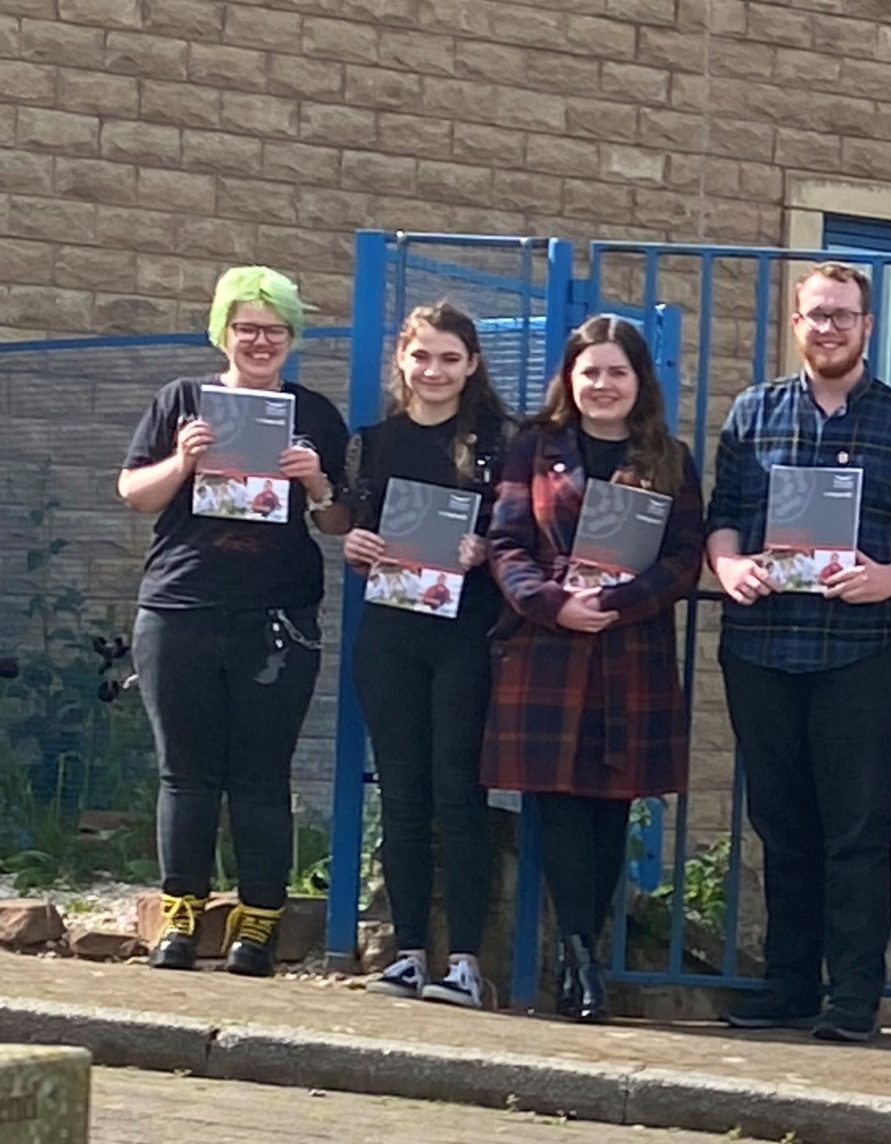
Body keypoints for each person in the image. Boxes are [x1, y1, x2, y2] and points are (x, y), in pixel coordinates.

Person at [705, 263, 891, 1043]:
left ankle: (853, 997)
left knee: (858, 833)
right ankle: (788, 984)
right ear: (795, 323)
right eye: (816, 315)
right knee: (781, 826)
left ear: (867, 326)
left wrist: (890, 580)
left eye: (843, 315)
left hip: (865, 650)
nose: (829, 328)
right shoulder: (752, 414)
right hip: (764, 647)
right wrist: (729, 568)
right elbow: (723, 516)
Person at [117, 266, 352, 977]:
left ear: (292, 338)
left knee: (261, 776)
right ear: (223, 331)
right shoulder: (181, 400)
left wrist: (315, 481)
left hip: (276, 616)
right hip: (179, 607)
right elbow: (135, 492)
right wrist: (182, 461)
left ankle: (259, 925)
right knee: (185, 774)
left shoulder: (315, 413)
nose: (260, 341)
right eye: (246, 327)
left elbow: (340, 522)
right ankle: (180, 919)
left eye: (274, 329)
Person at [481, 315, 704, 1023]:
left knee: (612, 809)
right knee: (559, 806)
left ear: (640, 381)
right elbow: (506, 544)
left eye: (617, 372)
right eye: (590, 372)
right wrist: (553, 604)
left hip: (629, 651)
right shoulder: (532, 448)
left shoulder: (669, 458)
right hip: (548, 650)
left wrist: (617, 602)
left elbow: (685, 557)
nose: (602, 385)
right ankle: (579, 960)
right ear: (569, 379)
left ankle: (587, 954)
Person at [342, 302, 515, 1008]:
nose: (434, 371)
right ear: (401, 361)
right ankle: (409, 954)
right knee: (401, 792)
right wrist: (356, 545)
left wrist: (487, 547)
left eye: (449, 358)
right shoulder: (373, 443)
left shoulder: (502, 443)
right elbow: (356, 528)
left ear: (471, 364)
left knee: (459, 792)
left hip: (465, 636)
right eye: (421, 357)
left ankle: (467, 963)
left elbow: (524, 534)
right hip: (390, 636)